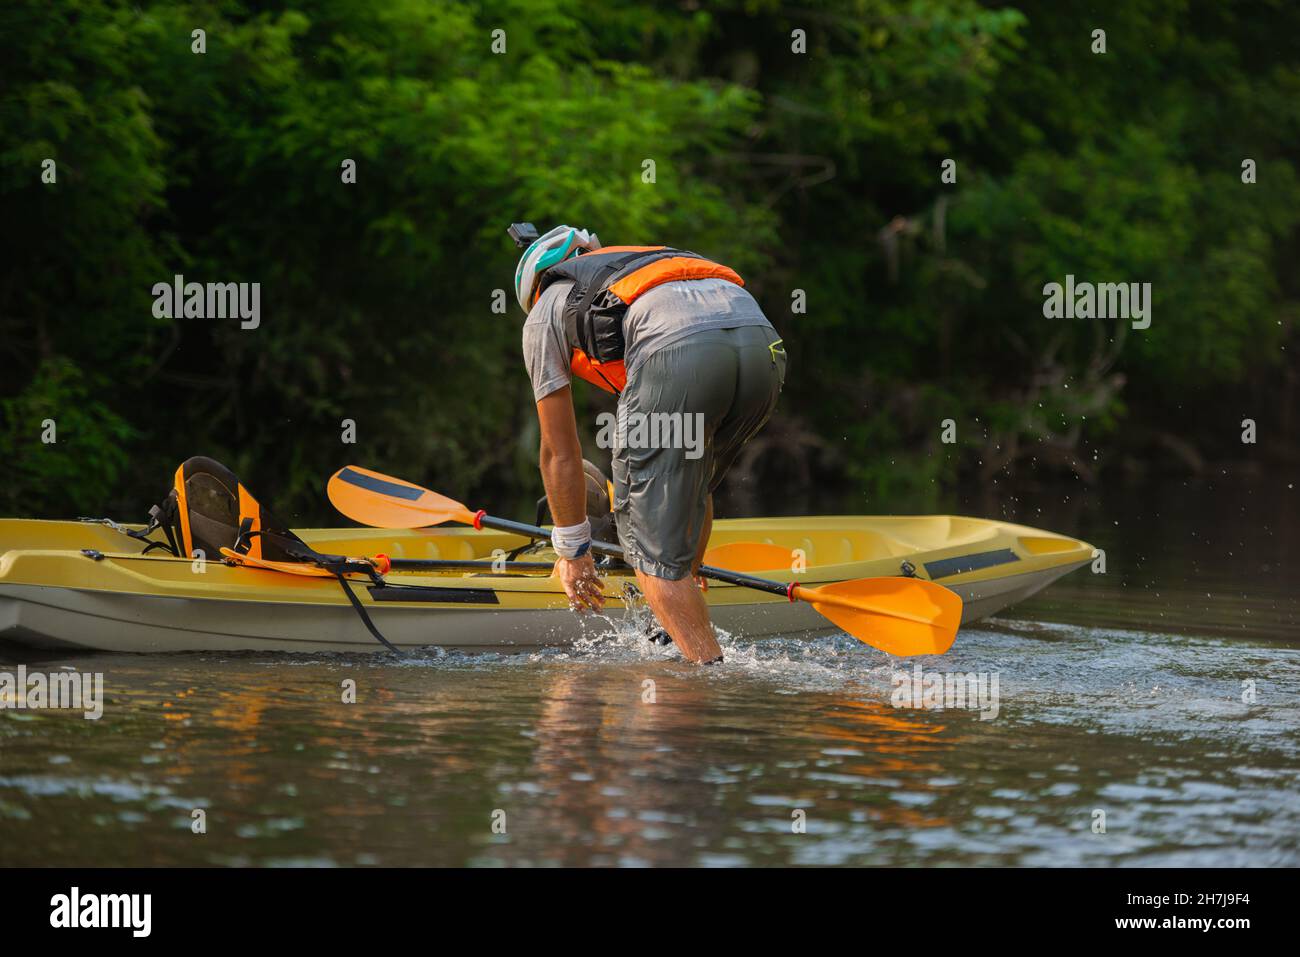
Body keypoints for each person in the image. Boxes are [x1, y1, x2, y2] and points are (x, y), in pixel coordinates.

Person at [512, 223, 786, 663]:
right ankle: (674, 615)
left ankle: (707, 674)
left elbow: (558, 452)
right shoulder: (638, 267)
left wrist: (573, 552)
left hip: (680, 352)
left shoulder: (546, 308)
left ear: (534, 288)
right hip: (764, 350)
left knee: (645, 541)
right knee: (689, 478)